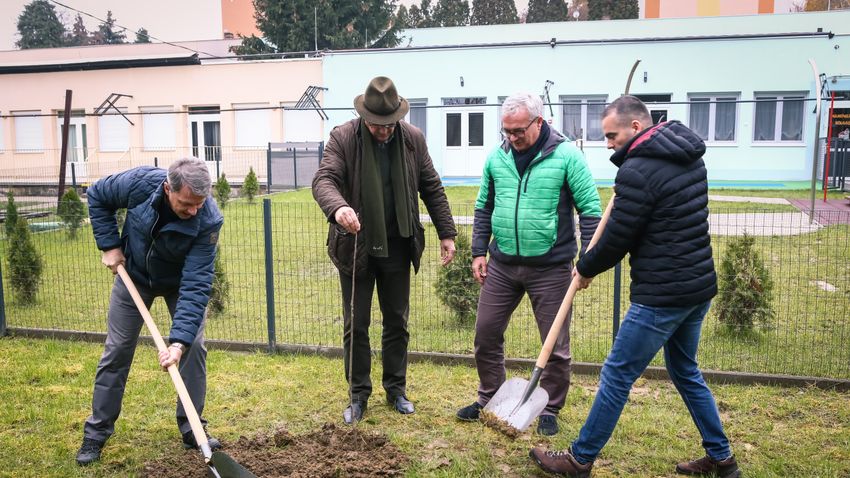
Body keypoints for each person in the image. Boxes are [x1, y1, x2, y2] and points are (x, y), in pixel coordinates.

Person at [529, 96, 740, 477]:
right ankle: (722, 458)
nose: (607, 143)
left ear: (637, 128)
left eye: (612, 136)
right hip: (696, 289)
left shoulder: (638, 170)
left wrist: (586, 267)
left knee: (616, 374)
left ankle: (580, 458)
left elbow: (617, 238)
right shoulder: (688, 154)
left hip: (663, 295)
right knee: (685, 371)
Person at [312, 76, 457, 424]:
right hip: (356, 246)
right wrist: (338, 208)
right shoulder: (343, 138)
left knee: (397, 322)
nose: (383, 131)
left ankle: (396, 389)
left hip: (398, 245)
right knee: (356, 324)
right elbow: (324, 179)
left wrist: (446, 233)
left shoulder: (412, 140)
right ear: (364, 117)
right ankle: (357, 395)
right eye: (376, 125)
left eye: (389, 124)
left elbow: (431, 187)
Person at [455, 92, 601, 436]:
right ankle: (491, 396)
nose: (513, 137)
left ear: (539, 122)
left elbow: (591, 211)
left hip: (551, 267)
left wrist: (588, 263)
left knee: (555, 345)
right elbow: (483, 207)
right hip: (502, 265)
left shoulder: (567, 157)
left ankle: (549, 406)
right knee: (485, 333)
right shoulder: (497, 156)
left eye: (519, 130)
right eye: (507, 131)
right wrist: (479, 251)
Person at [76, 158, 224, 465]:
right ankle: (96, 433)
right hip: (135, 276)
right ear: (168, 188)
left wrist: (178, 342)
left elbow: (197, 282)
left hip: (179, 282)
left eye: (199, 203)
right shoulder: (140, 183)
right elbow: (98, 196)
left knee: (194, 346)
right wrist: (109, 245)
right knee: (117, 350)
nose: (193, 210)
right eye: (186, 203)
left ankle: (192, 428)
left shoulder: (208, 219)